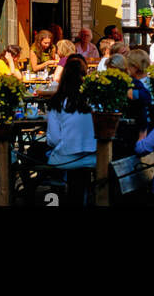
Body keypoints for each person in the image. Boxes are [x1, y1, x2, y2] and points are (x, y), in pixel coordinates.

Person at [45, 55, 96, 206]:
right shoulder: (94, 100)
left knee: (48, 158)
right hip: (92, 155)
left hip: (66, 157)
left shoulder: (57, 102)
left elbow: (53, 139)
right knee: (79, 175)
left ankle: (54, 199)